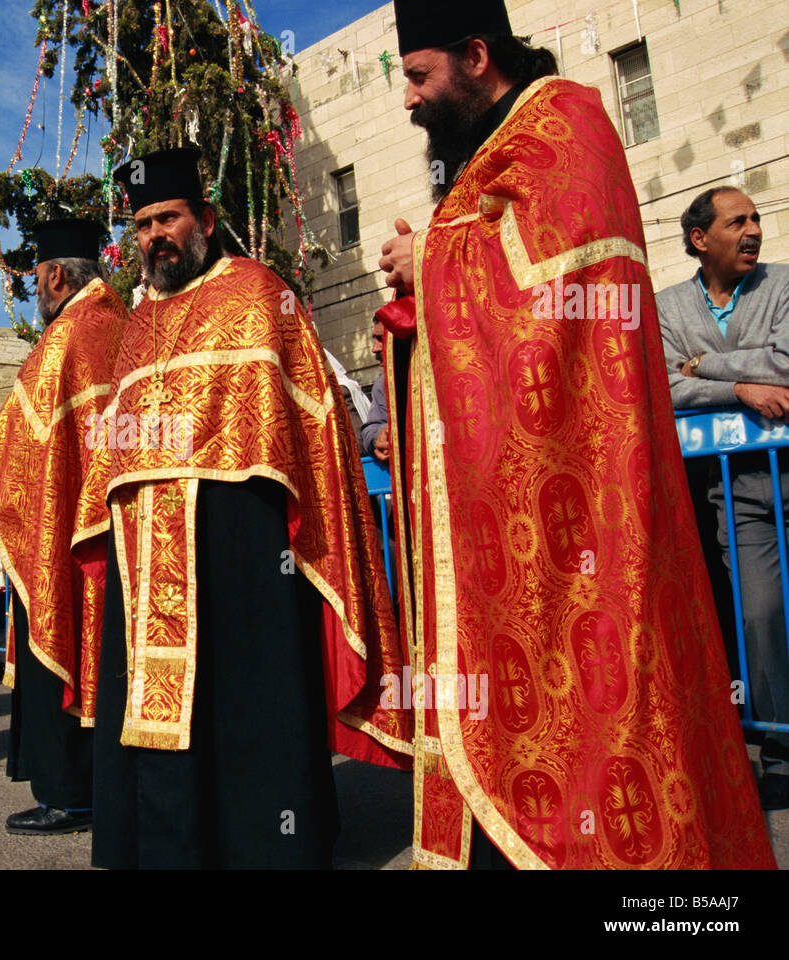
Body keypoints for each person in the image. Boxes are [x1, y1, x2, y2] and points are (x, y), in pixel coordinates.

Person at [375, 0, 774, 867]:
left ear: (477, 54)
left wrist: (433, 260)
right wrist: (424, 290)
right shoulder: (494, 151)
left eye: (417, 77)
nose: (407, 102)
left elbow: (547, 295)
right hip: (508, 528)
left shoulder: (566, 125)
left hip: (587, 513)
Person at [75, 147, 408, 868]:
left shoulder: (259, 293)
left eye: (166, 218)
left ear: (205, 218)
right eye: (140, 226)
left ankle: (269, 844)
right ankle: (167, 844)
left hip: (244, 539)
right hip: (148, 546)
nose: (154, 237)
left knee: (249, 697)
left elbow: (312, 426)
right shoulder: (137, 323)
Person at [0, 218, 129, 834]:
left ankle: (66, 790)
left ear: (56, 275)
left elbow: (16, 447)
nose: (37, 289)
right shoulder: (119, 324)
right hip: (113, 534)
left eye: (36, 278)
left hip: (64, 534)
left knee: (61, 647)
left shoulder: (65, 338)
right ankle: (97, 782)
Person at [656, 187, 789, 811]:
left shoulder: (784, 285)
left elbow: (787, 365)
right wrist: (739, 384)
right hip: (735, 496)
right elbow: (659, 383)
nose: (754, 229)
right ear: (699, 239)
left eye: (757, 218)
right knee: (760, 618)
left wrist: (702, 366)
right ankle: (782, 751)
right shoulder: (666, 307)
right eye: (738, 221)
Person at [358, 319, 390, 463]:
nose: (374, 349)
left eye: (381, 339)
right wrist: (379, 435)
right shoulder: (384, 383)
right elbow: (371, 427)